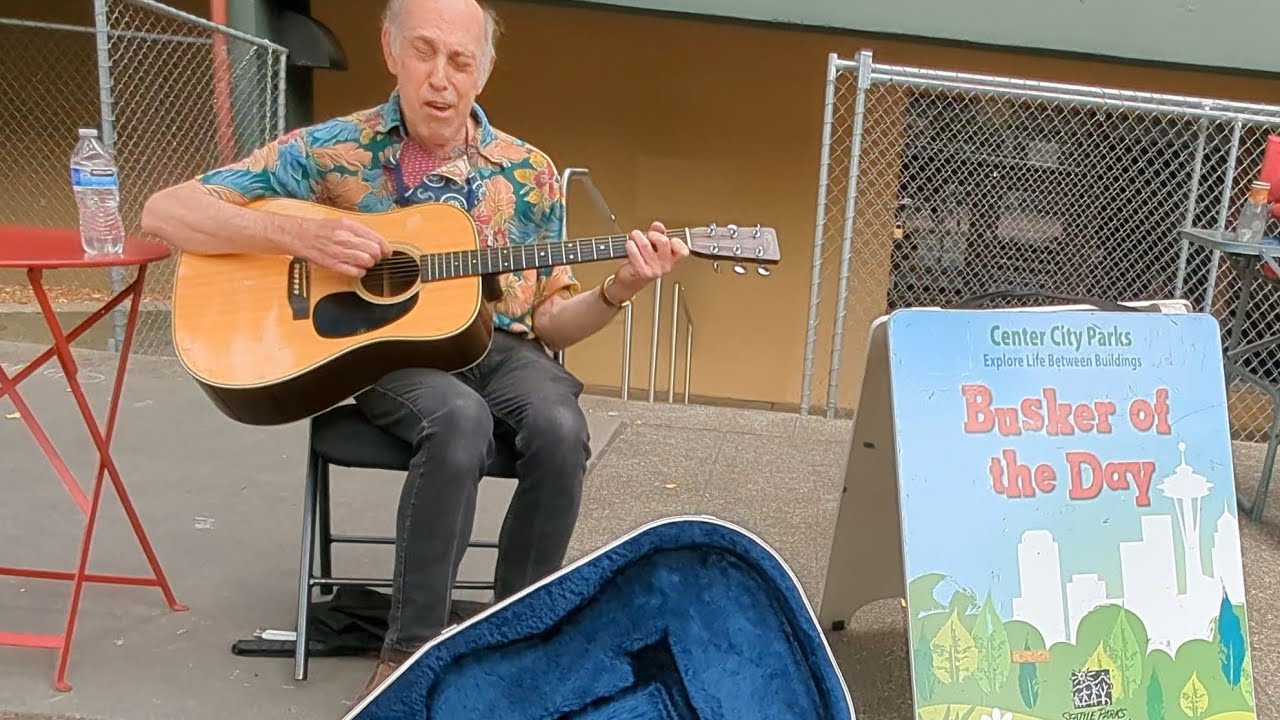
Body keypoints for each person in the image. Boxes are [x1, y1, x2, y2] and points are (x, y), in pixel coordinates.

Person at [140, 0, 688, 698]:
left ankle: (518, 644)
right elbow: (166, 211)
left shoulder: (530, 172)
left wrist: (620, 287)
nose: (441, 78)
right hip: (389, 356)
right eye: (424, 52)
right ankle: (407, 660)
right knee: (459, 420)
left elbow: (551, 323)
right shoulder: (332, 150)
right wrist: (299, 235)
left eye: (461, 61)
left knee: (560, 426)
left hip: (503, 350)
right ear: (390, 50)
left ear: (483, 72)